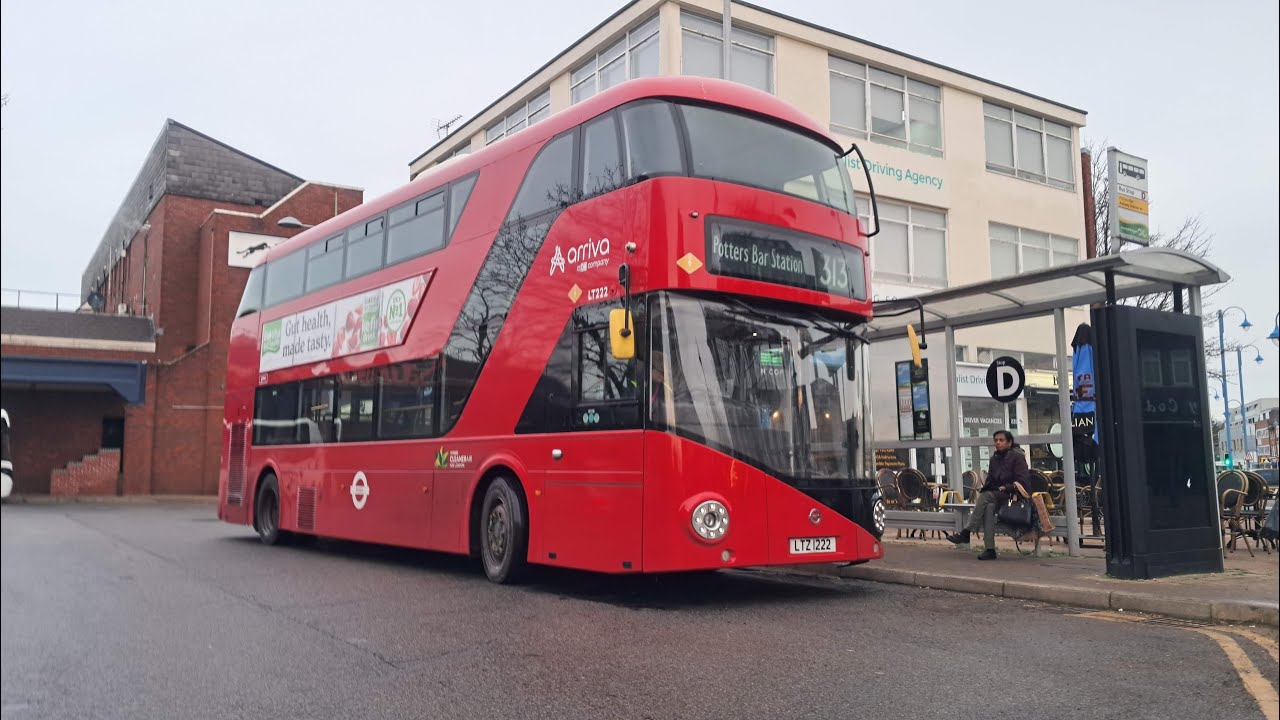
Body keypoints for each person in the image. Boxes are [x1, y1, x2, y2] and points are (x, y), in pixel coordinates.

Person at [947, 430, 1029, 560]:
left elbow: (1024, 481)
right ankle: (990, 549)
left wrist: (1006, 487)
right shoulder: (994, 459)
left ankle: (966, 532)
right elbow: (991, 479)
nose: (998, 442)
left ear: (1009, 442)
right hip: (997, 496)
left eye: (1001, 440)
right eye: (996, 440)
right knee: (988, 506)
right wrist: (987, 488)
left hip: (1013, 496)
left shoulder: (1017, 457)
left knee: (985, 497)